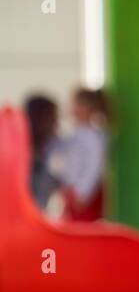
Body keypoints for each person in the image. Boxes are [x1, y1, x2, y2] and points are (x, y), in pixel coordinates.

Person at [48, 87, 111, 221]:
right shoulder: (77, 133)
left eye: (73, 104)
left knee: (82, 229)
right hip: (73, 191)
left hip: (85, 195)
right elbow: (61, 148)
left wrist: (83, 192)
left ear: (86, 108)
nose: (69, 108)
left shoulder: (93, 136)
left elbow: (94, 165)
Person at [23, 94, 60, 211]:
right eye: (53, 117)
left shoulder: (49, 148)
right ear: (40, 119)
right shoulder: (25, 154)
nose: (56, 123)